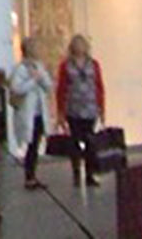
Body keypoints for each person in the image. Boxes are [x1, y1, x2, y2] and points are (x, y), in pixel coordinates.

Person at [55, 33, 106, 191]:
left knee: (90, 141)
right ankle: (77, 172)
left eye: (81, 44)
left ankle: (90, 173)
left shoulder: (93, 64)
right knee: (75, 141)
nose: (79, 48)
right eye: (76, 45)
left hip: (90, 107)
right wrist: (60, 111)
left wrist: (102, 108)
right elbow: (61, 88)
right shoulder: (66, 65)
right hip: (73, 108)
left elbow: (99, 86)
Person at [7, 37, 55, 189]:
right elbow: (16, 88)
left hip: (39, 112)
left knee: (36, 143)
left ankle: (32, 174)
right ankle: (29, 176)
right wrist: (32, 81)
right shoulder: (20, 69)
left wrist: (41, 78)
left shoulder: (39, 66)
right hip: (27, 112)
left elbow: (48, 86)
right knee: (31, 143)